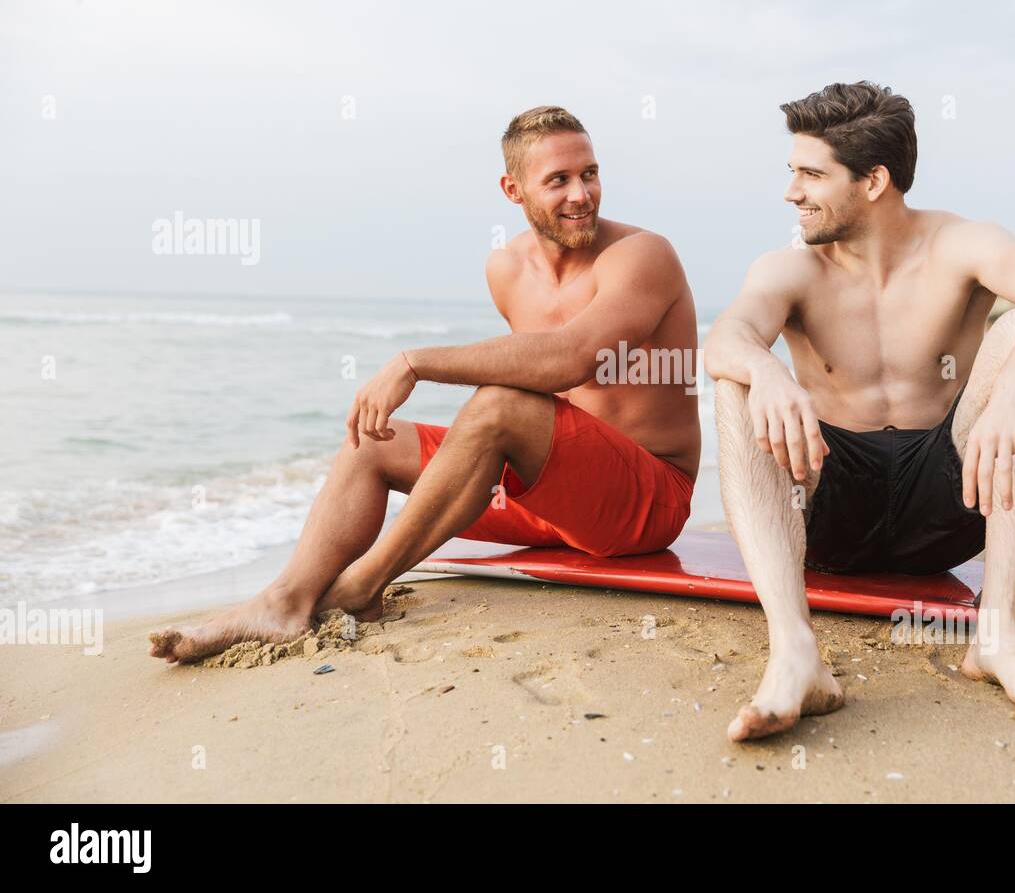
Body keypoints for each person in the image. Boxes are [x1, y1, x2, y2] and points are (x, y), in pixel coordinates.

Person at [150, 106, 701, 663]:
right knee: (374, 442)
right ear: (513, 190)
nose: (581, 194)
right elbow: (533, 378)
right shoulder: (506, 268)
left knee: (500, 406)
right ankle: (284, 602)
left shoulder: (643, 256)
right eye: (558, 180)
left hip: (644, 504)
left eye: (590, 173)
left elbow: (572, 359)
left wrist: (415, 362)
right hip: (552, 501)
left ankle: (362, 585)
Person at [701, 81, 1015, 741]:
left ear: (874, 180)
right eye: (791, 171)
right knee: (737, 376)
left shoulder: (958, 244)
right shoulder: (791, 270)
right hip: (825, 511)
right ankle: (795, 654)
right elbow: (726, 336)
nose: (790, 192)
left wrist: (1013, 387)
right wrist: (765, 369)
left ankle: (998, 635)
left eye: (810, 173)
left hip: (951, 499)